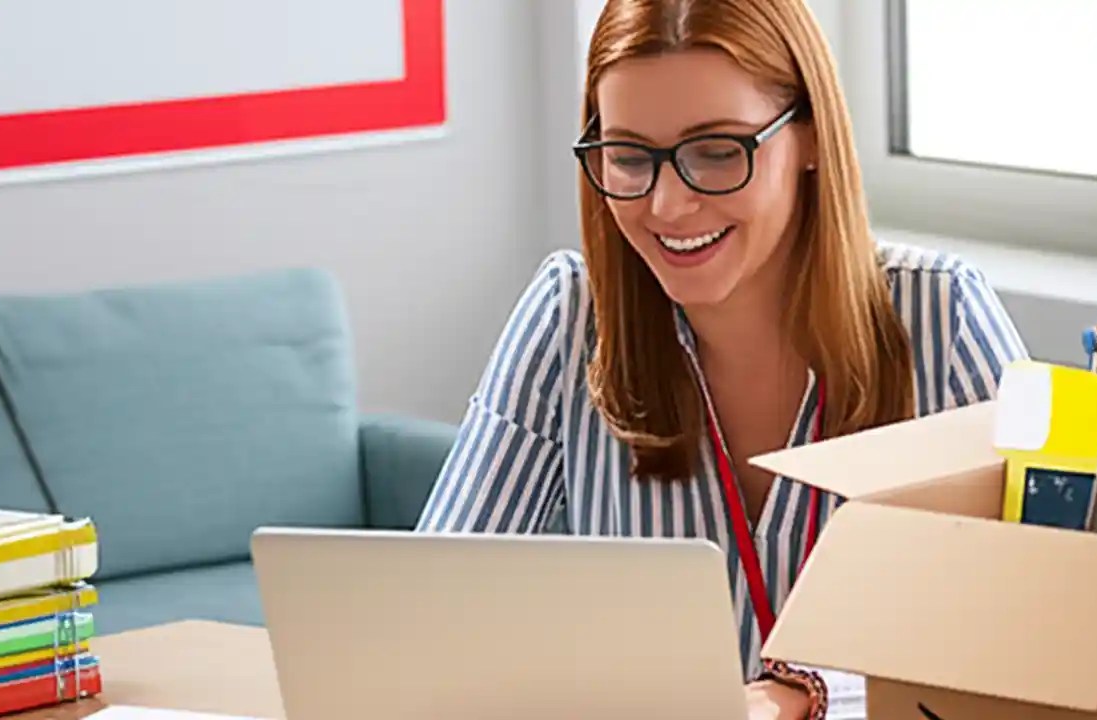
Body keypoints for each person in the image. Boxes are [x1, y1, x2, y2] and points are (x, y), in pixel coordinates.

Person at [416, 0, 1029, 717]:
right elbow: (431, 628)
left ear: (808, 138)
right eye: (629, 156)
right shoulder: (568, 320)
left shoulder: (941, 319)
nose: (669, 205)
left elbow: (1036, 627)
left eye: (716, 152)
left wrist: (801, 695)